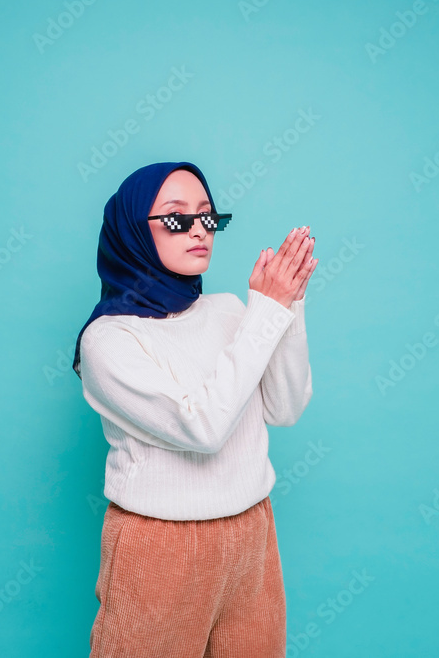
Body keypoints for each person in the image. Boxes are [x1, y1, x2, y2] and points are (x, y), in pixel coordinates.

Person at [74, 160, 317, 657]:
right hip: (161, 547)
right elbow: (202, 427)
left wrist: (287, 309)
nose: (198, 230)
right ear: (132, 231)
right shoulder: (109, 340)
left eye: (207, 217)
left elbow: (285, 407)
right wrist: (266, 313)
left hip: (252, 534)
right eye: (176, 217)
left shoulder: (230, 311)